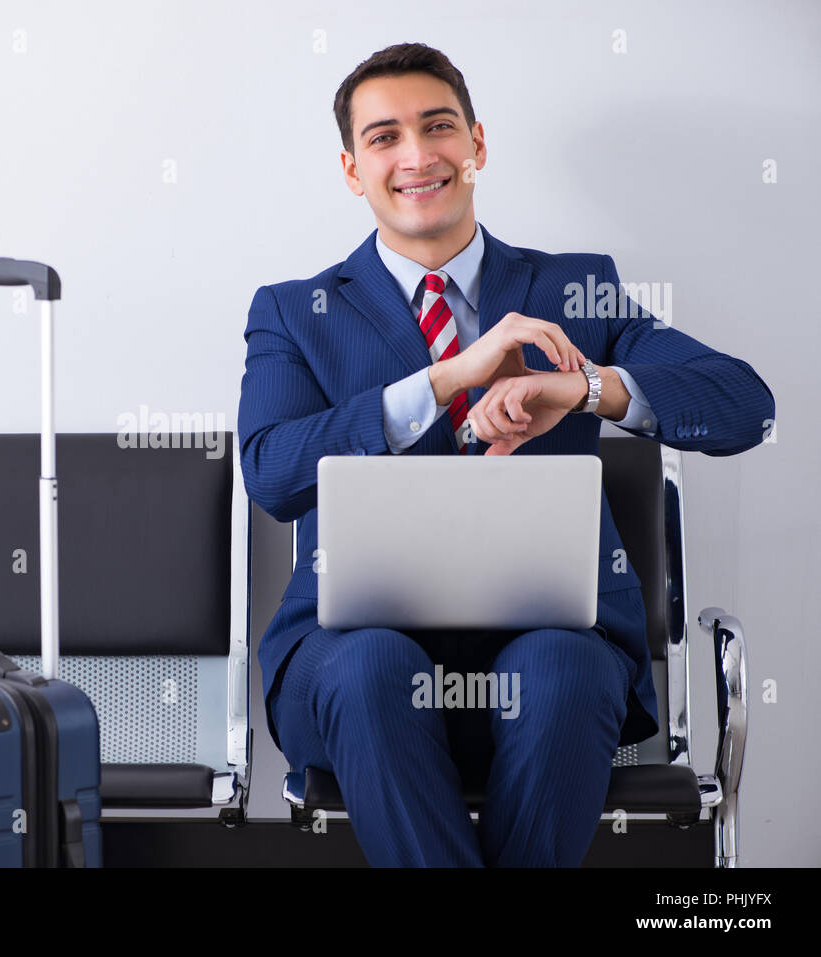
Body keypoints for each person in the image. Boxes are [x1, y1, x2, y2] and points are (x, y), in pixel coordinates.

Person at [237, 42, 775, 866]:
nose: (417, 156)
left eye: (438, 127)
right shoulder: (295, 312)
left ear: (477, 145)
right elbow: (272, 473)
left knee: (561, 662)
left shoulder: (572, 290)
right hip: (352, 665)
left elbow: (744, 404)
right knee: (376, 662)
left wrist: (586, 388)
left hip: (550, 663)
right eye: (384, 138)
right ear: (352, 169)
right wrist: (445, 377)